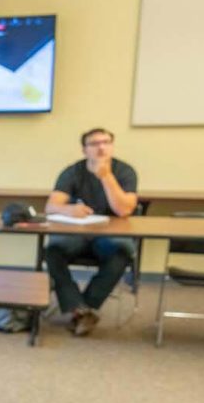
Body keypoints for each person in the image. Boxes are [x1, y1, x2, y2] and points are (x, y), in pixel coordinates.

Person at [44, 127, 140, 336]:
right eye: (94, 144)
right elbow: (51, 206)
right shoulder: (73, 171)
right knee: (53, 250)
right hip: (78, 234)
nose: (101, 148)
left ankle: (85, 307)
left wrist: (106, 177)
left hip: (110, 235)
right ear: (84, 150)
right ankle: (78, 307)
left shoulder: (124, 171)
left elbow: (124, 209)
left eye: (106, 142)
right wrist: (69, 209)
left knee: (123, 250)